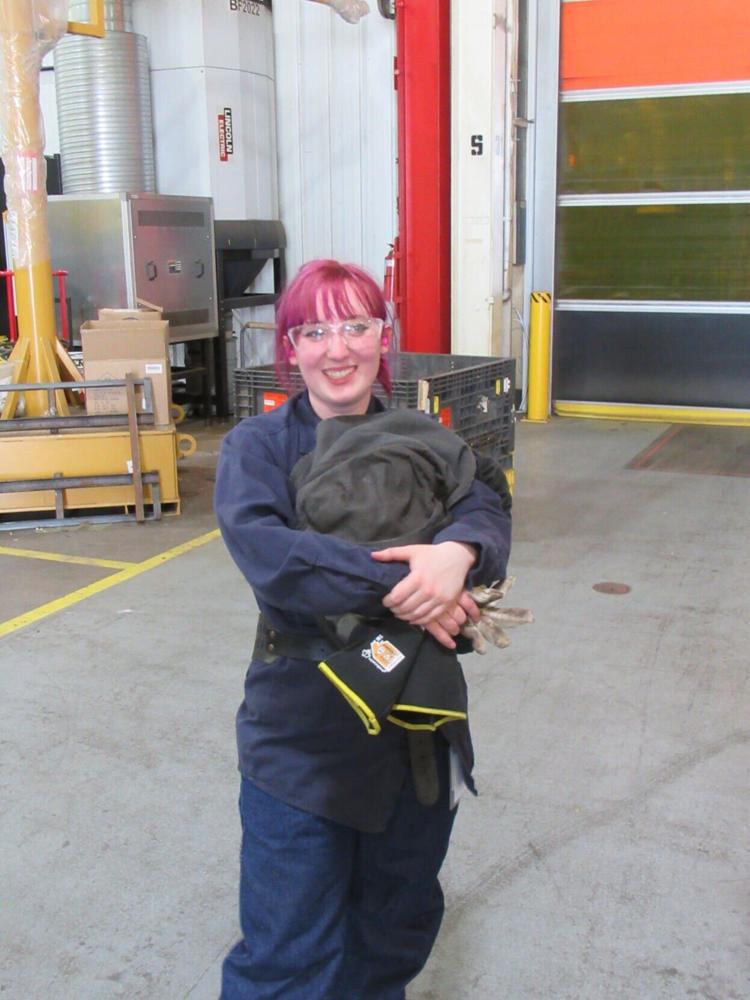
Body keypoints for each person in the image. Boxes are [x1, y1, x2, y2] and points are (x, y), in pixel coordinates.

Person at [214, 259, 511, 999]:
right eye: (315, 331)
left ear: (384, 336)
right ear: (291, 347)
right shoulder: (259, 446)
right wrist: (421, 587)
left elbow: (483, 499)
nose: (337, 348)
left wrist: (459, 553)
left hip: (418, 731)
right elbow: (275, 557)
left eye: (355, 325)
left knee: (394, 929)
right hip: (302, 738)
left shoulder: (421, 434)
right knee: (288, 954)